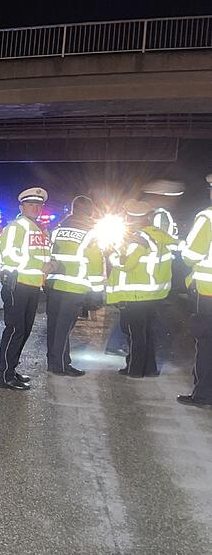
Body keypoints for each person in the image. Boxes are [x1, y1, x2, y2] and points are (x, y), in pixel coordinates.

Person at [106, 200, 174, 378]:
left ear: (131, 218)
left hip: (136, 295)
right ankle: (150, 369)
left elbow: (126, 264)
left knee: (135, 333)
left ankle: (134, 369)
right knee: (147, 332)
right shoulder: (160, 236)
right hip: (153, 294)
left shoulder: (138, 239)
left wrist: (113, 255)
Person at [0, 187, 54, 390]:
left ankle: (11, 370)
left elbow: (43, 255)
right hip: (17, 284)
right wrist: (41, 265)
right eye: (31, 204)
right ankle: (4, 377)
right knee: (15, 330)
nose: (35, 208)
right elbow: (10, 255)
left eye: (39, 205)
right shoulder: (17, 227)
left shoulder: (40, 229)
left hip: (33, 285)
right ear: (21, 207)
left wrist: (50, 264)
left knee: (25, 331)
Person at [46, 196, 105, 376]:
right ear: (90, 211)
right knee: (64, 328)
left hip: (54, 284)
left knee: (54, 325)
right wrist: (97, 292)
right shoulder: (90, 233)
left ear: (73, 210)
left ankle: (53, 362)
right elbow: (95, 264)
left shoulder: (57, 230)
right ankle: (61, 366)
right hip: (75, 287)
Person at [178, 174, 212, 407]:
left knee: (207, 344)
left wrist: (183, 248)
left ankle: (203, 394)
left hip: (208, 293)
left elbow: (191, 256)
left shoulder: (207, 217)